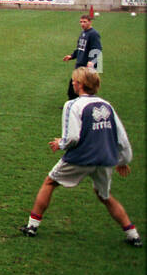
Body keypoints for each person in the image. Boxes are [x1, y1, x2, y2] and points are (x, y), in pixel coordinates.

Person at [21, 68, 140, 247]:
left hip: (82, 158)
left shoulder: (73, 105)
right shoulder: (106, 105)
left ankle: (32, 226)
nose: (72, 83)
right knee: (104, 196)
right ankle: (133, 234)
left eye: (74, 81)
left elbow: (73, 138)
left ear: (80, 85)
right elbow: (121, 137)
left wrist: (60, 143)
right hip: (104, 159)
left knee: (50, 182)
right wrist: (123, 160)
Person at [62, 13, 103, 100]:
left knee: (85, 86)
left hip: (87, 65)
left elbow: (97, 49)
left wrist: (92, 61)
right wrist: (72, 56)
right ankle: (73, 102)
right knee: (74, 85)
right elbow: (80, 48)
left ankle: (79, 103)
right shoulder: (83, 33)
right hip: (80, 63)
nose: (82, 24)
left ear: (90, 22)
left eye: (84, 22)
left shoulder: (94, 34)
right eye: (81, 22)